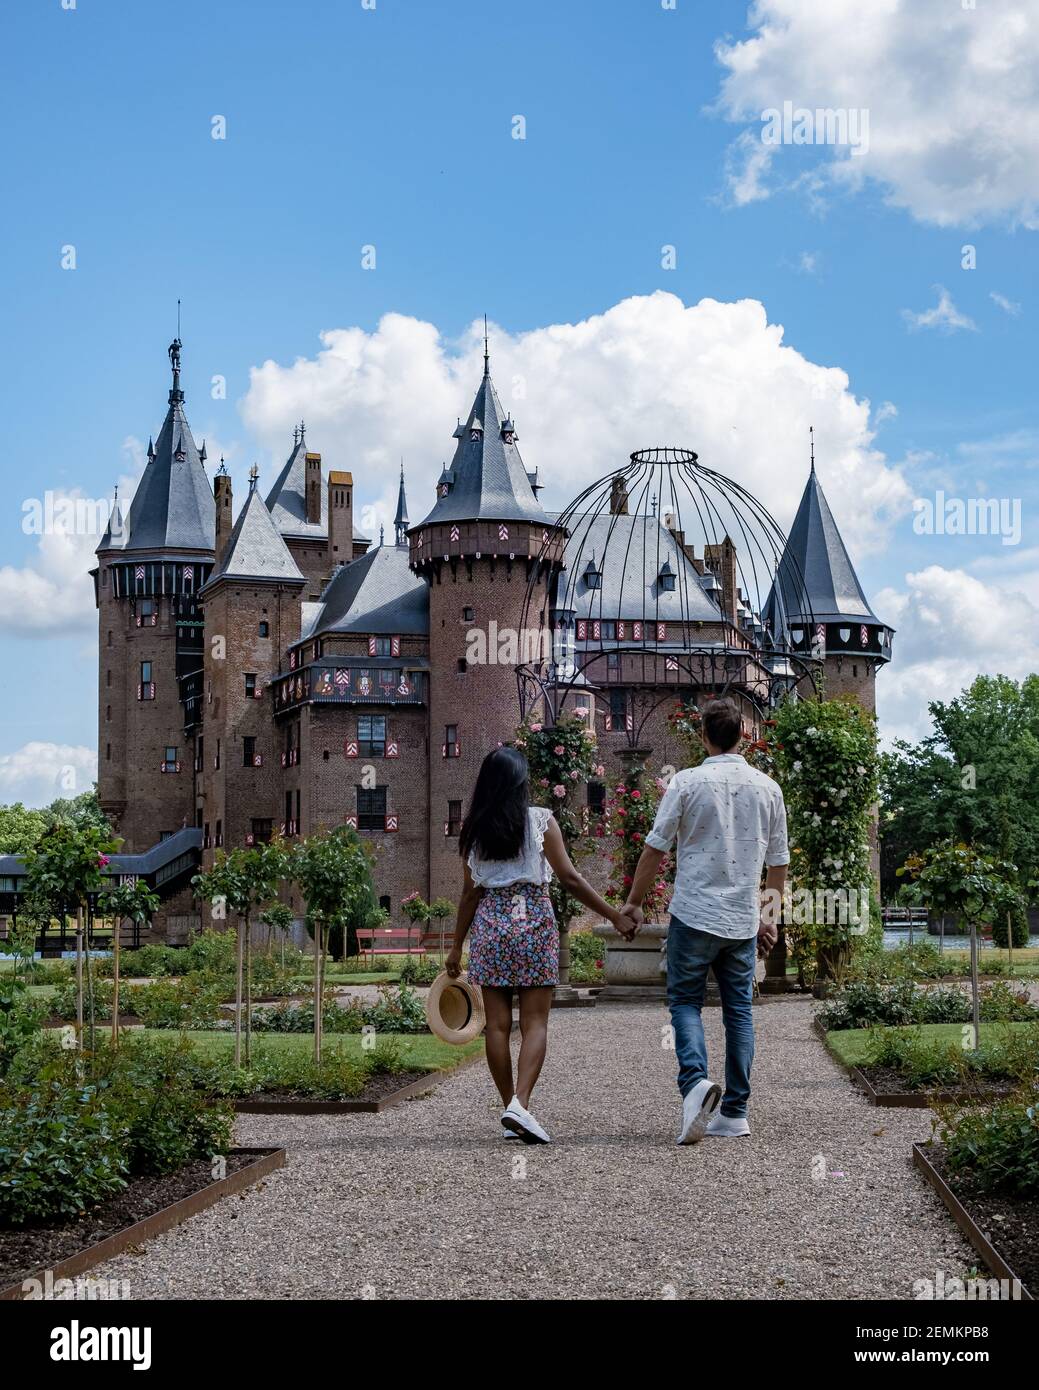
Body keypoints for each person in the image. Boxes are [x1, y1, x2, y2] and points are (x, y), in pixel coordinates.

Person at [445, 744, 635, 1144]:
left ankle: (509, 1107)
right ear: (520, 783)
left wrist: (456, 946)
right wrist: (613, 915)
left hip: (492, 925)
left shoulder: (473, 830)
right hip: (531, 920)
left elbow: (469, 894)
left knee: (496, 1026)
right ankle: (521, 1105)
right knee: (535, 1023)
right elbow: (570, 878)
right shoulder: (540, 821)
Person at [622, 697, 788, 1145]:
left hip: (694, 914)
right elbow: (778, 864)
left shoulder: (686, 783)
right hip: (741, 921)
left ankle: (695, 1083)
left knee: (685, 1004)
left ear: (703, 735)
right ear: (744, 736)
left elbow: (655, 848)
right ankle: (735, 1112)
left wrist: (635, 904)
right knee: (739, 1013)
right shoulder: (768, 788)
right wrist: (768, 919)